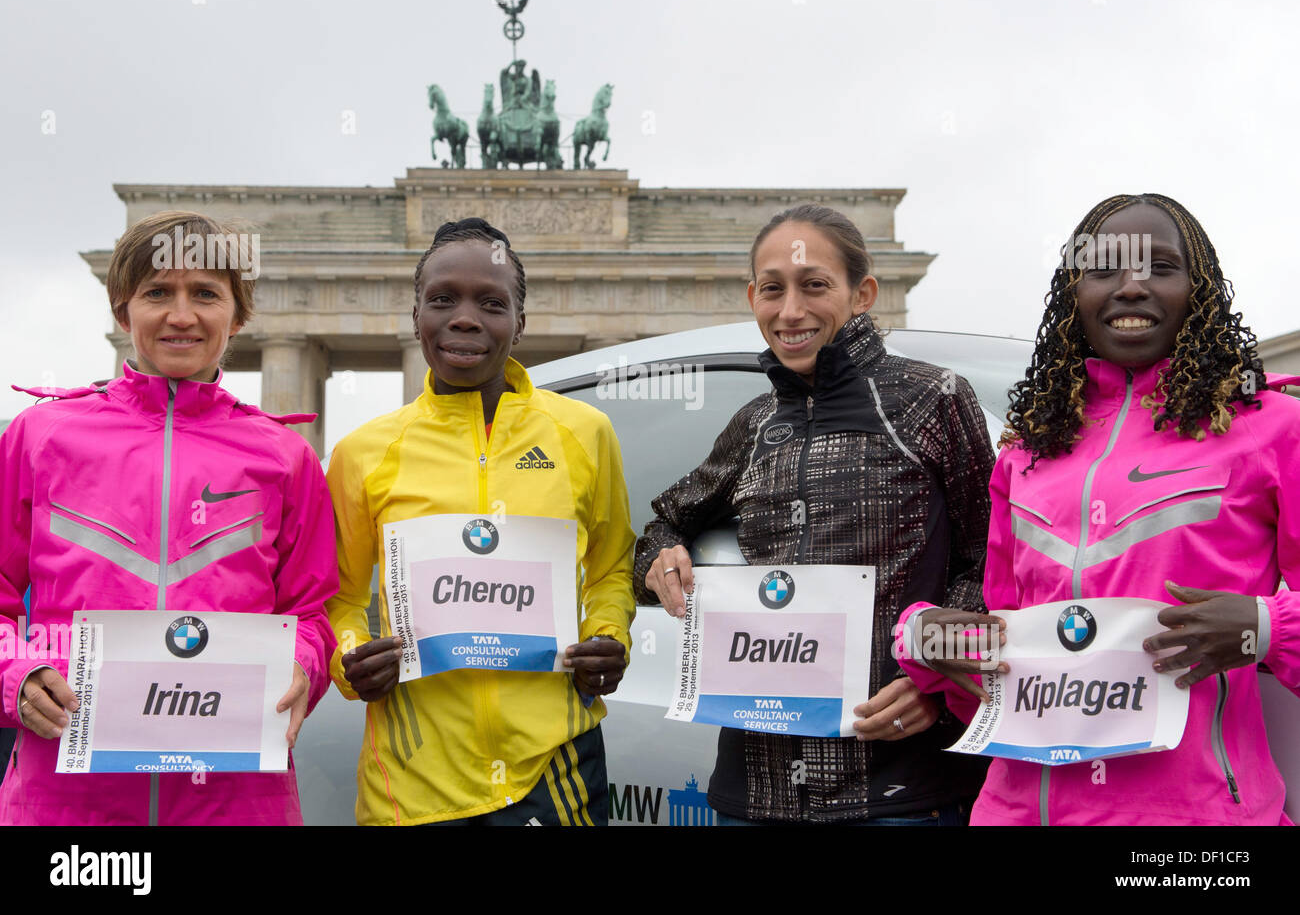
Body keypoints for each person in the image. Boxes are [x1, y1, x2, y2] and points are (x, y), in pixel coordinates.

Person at [897, 192, 1300, 825]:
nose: (1132, 286)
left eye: (1161, 267)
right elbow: (1003, 643)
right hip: (1020, 810)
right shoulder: (1028, 452)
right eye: (1105, 268)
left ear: (1202, 290)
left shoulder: (1274, 427)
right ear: (1072, 293)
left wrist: (1265, 626)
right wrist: (933, 641)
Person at [636, 204, 994, 824]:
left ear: (863, 294)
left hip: (900, 785)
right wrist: (659, 559)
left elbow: (992, 558)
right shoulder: (753, 423)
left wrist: (938, 676)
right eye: (772, 289)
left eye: (815, 285)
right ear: (754, 297)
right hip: (753, 791)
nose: (791, 311)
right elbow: (663, 523)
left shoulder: (932, 398)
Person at [0, 210, 338, 825]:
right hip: (68, 807)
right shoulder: (38, 437)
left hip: (237, 802)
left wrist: (304, 664)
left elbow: (312, 614)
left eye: (206, 293)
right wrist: (14, 675)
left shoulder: (286, 457)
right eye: (158, 292)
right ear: (122, 310)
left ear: (238, 316)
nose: (181, 315)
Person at [326, 217, 635, 826]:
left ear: (521, 322)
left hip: (555, 768)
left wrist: (611, 637)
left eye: (491, 303)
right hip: (412, 778)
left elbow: (611, 569)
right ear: (415, 314)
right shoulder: (363, 452)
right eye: (442, 299)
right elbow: (335, 597)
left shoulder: (585, 434)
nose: (464, 318)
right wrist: (351, 658)